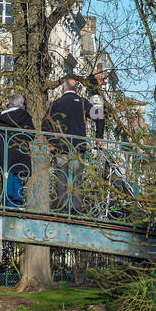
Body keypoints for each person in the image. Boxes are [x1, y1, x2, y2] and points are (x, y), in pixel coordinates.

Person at [43, 77, 100, 212]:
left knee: (61, 179)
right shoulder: (82, 103)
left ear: (63, 88)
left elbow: (44, 124)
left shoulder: (56, 103)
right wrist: (99, 137)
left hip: (60, 147)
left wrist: (51, 141)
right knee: (76, 180)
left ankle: (63, 209)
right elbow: (100, 117)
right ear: (77, 90)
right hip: (78, 148)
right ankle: (75, 210)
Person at [0, 94, 33, 208]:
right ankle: (17, 203)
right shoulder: (26, 117)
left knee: (7, 177)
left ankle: (8, 204)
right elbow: (31, 135)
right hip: (20, 150)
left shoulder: (3, 116)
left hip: (5, 150)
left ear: (10, 104)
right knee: (17, 177)